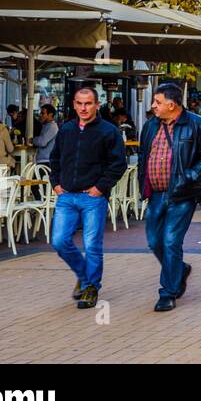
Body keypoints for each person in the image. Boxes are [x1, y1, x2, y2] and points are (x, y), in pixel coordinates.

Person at [138, 82, 201, 312]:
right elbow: (144, 155)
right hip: (155, 193)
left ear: (172, 105)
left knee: (171, 241)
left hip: (182, 193)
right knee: (154, 241)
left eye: (158, 102)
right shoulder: (151, 125)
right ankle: (179, 270)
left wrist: (190, 176)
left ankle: (168, 292)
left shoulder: (197, 124)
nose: (153, 106)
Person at [48, 86, 126, 309]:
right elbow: (55, 158)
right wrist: (56, 183)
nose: (83, 108)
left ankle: (91, 286)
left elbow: (118, 164)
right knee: (59, 241)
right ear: (74, 105)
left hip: (92, 197)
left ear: (96, 105)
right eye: (80, 103)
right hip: (66, 196)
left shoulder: (108, 131)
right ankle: (84, 276)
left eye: (88, 103)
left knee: (92, 244)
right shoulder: (66, 129)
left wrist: (100, 188)